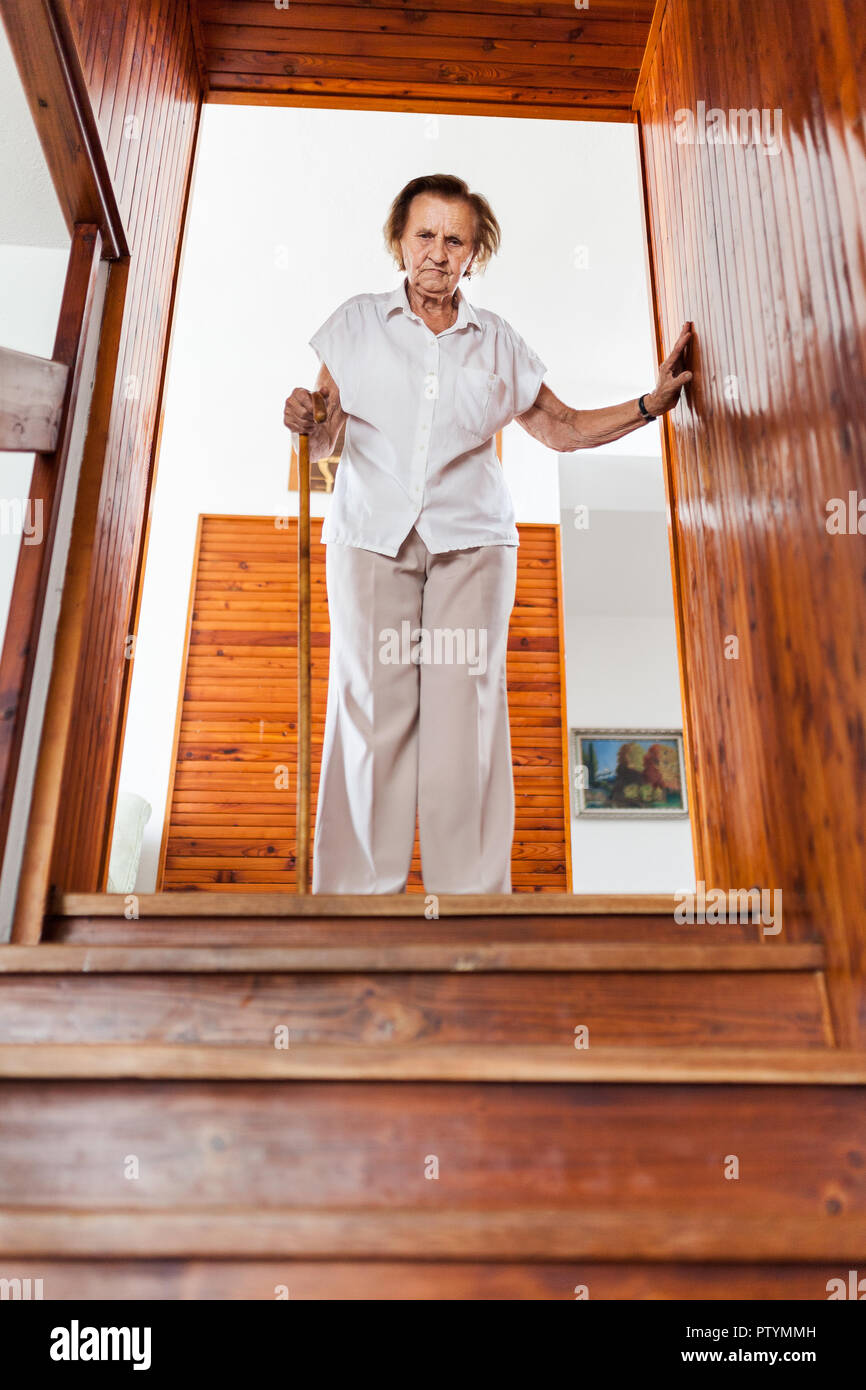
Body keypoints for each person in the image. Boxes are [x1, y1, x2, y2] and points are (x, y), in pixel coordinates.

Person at [283, 173, 692, 894]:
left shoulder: (498, 343)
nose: (437, 253)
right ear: (399, 241)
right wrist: (307, 420)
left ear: (475, 254)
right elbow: (324, 437)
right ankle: (353, 908)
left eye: (455, 240)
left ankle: (467, 907)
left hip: (471, 545)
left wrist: (648, 404)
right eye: (425, 236)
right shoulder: (355, 325)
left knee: (462, 722)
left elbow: (560, 428)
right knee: (369, 712)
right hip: (370, 538)